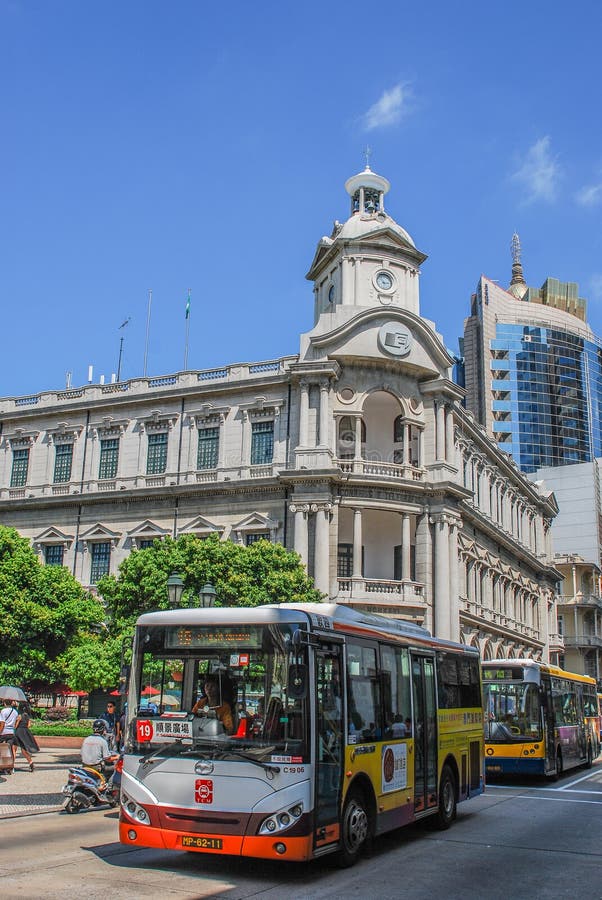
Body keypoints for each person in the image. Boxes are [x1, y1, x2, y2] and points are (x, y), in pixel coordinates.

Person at [13, 701, 39, 772]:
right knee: (23, 750)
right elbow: (29, 725)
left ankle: (12, 765)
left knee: (14, 749)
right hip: (25, 732)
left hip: (18, 732)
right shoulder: (27, 716)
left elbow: (15, 726)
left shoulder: (19, 715)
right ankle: (31, 762)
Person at [0, 700, 19, 774]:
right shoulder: (15, 712)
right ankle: (11, 767)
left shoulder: (3, 711)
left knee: (2, 750)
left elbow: (2, 724)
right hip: (11, 733)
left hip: (3, 733)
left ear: (4, 703)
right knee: (10, 750)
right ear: (11, 703)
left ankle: (2, 766)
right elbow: (15, 723)